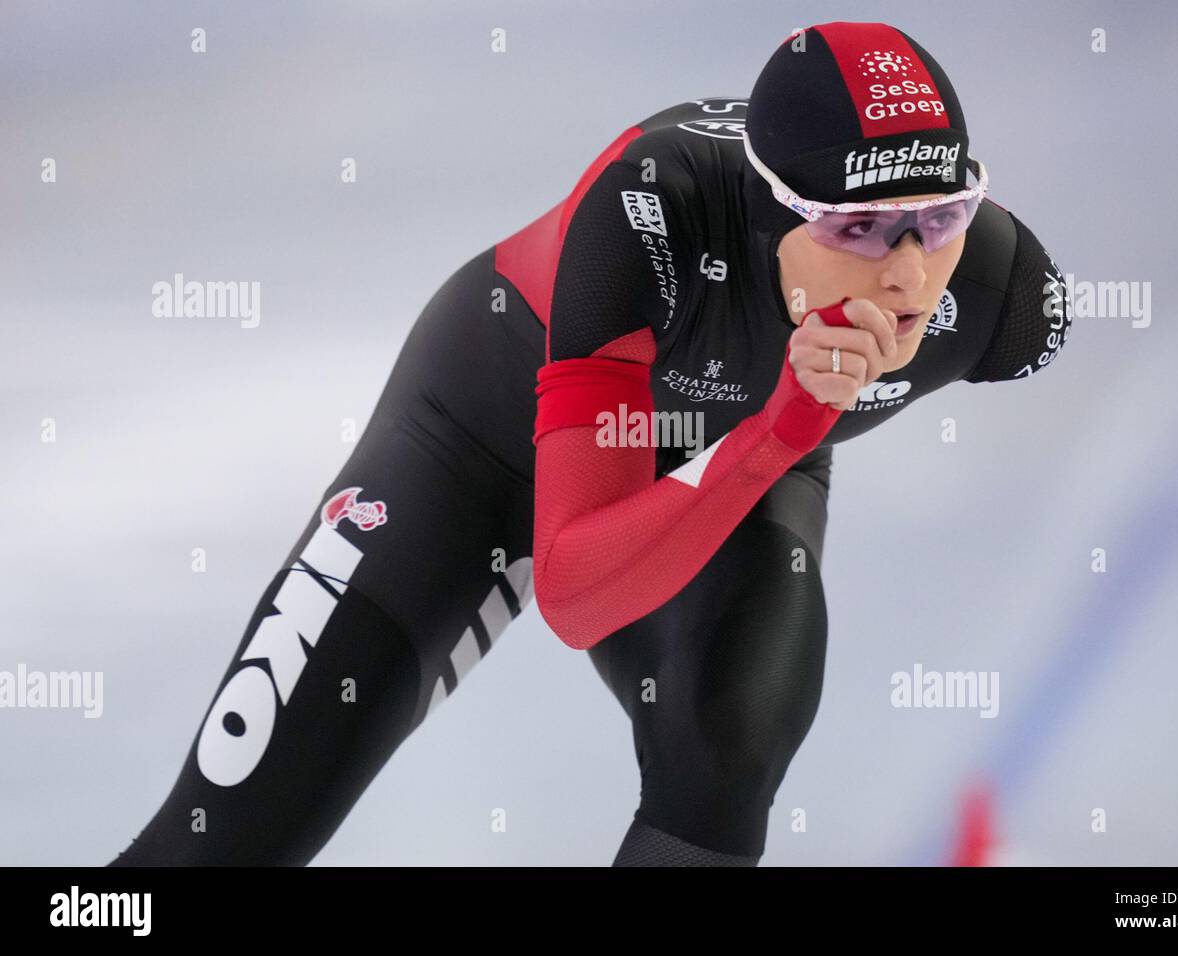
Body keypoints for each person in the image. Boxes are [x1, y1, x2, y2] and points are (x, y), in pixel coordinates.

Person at [109, 20, 1071, 867]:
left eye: (939, 218)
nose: (909, 275)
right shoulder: (646, 217)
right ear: (775, 207)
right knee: (218, 843)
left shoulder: (1002, 298)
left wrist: (781, 430)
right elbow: (577, 594)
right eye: (861, 228)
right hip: (485, 433)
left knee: (730, 742)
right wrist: (786, 423)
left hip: (743, 445)